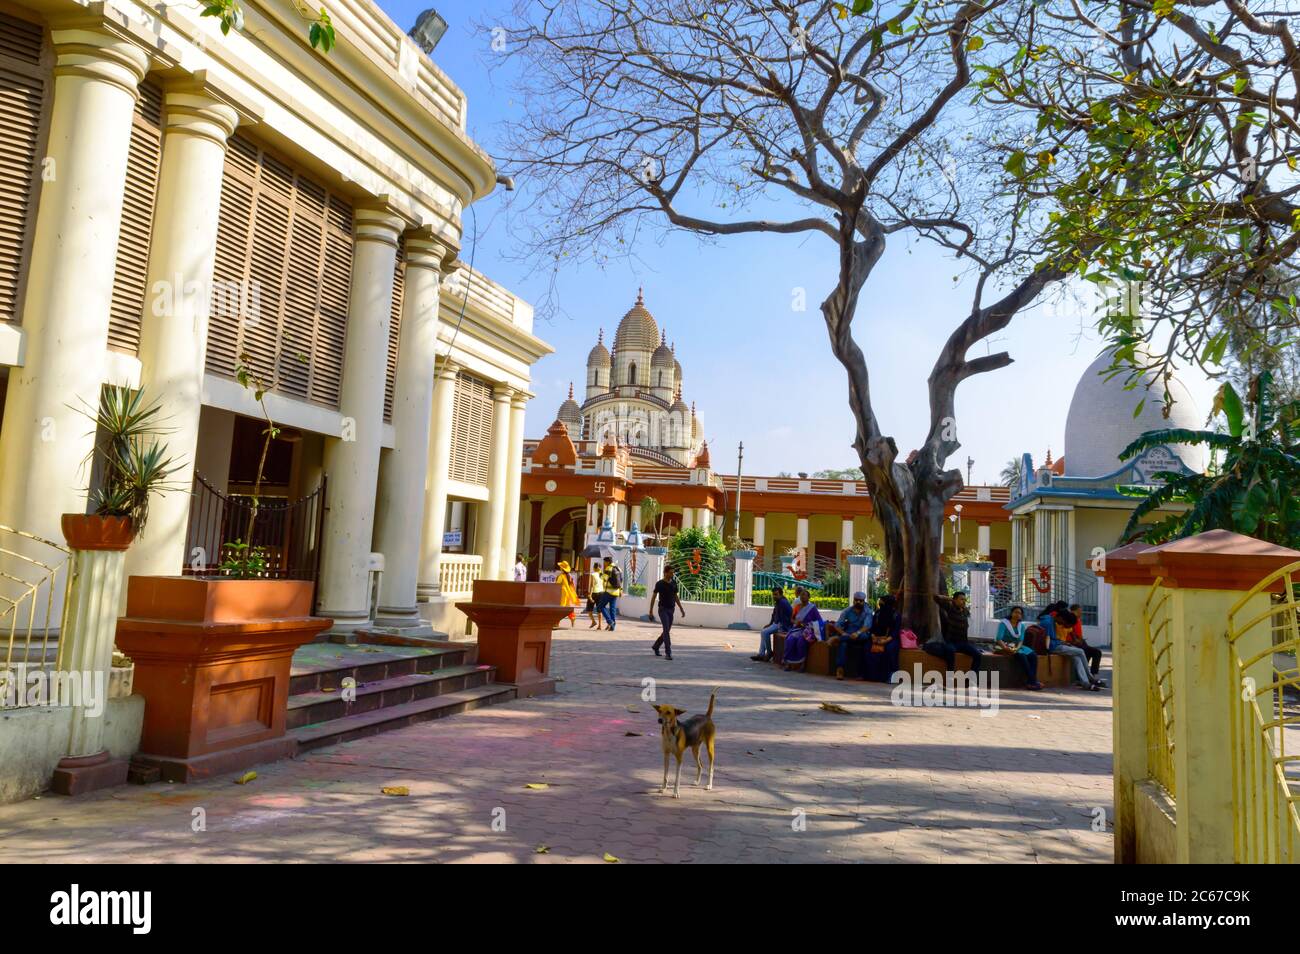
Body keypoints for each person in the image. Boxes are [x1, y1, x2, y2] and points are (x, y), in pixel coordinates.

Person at [926, 591, 983, 672]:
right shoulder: (950, 608)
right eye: (961, 599)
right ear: (955, 600)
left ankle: (971, 678)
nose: (964, 601)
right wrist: (951, 599)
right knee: (950, 652)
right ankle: (950, 677)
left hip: (963, 643)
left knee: (978, 655)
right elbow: (936, 597)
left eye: (964, 600)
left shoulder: (965, 611)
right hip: (951, 643)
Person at [1050, 608, 1103, 690]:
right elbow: (1052, 639)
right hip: (1056, 646)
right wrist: (1067, 643)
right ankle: (1090, 677)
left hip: (1063, 645)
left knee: (1077, 658)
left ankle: (1085, 683)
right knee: (1081, 651)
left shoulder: (1065, 623)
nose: (1067, 627)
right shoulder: (1054, 623)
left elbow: (1072, 633)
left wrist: (1076, 641)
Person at [825, 591, 872, 680]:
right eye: (856, 600)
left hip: (861, 635)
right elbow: (838, 625)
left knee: (861, 637)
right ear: (853, 600)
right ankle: (840, 670)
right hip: (848, 634)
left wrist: (857, 633)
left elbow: (867, 626)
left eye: (860, 601)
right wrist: (843, 633)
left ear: (863, 601)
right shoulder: (847, 610)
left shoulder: (868, 611)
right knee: (843, 645)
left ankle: (838, 638)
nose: (858, 602)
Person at [994, 605, 1043, 690]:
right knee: (1022, 657)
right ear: (1011, 613)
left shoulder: (1021, 626)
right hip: (1003, 645)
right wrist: (1006, 648)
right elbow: (998, 638)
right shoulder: (1004, 623)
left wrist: (1017, 648)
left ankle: (1031, 681)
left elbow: (1021, 640)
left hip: (1017, 646)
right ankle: (1033, 682)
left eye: (1020, 613)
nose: (1017, 614)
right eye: (1016, 612)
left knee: (1033, 655)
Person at [862, 593, 902, 683]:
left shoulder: (896, 615)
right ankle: (869, 675)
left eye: (882, 602)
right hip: (876, 638)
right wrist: (873, 637)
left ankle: (891, 675)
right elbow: (873, 628)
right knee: (867, 648)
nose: (880, 603)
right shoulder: (878, 613)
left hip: (890, 639)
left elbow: (895, 632)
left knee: (889, 650)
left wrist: (885, 641)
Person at [781, 588, 824, 672]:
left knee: (801, 641)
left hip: (808, 630)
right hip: (797, 629)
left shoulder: (812, 608)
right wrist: (796, 622)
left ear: (808, 597)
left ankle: (802, 664)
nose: (802, 596)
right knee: (790, 640)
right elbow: (792, 619)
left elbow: (819, 621)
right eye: (801, 595)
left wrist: (808, 624)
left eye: (804, 595)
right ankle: (789, 663)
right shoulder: (797, 607)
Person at [649, 564, 685, 660]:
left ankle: (656, 646)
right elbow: (653, 597)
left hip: (671, 610)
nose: (672, 574)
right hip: (662, 609)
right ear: (665, 573)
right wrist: (651, 611)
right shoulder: (659, 584)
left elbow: (676, 597)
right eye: (670, 573)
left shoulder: (674, 583)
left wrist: (681, 608)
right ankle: (668, 653)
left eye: (673, 573)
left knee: (666, 631)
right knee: (666, 630)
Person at [752, 585, 792, 662]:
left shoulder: (783, 602)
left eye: (776, 594)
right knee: (764, 631)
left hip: (783, 625)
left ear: (781, 594)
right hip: (777, 623)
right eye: (773, 594)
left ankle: (769, 652)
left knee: (765, 632)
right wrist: (770, 624)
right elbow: (774, 614)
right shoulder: (778, 602)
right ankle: (761, 654)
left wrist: (783, 628)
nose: (774, 596)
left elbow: (789, 616)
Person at [1069, 603, 1104, 678]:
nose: (1081, 613)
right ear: (1073, 611)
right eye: (1079, 611)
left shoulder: (1078, 620)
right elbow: (1071, 632)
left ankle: (1092, 674)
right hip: (1074, 643)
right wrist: (1076, 640)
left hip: (1081, 642)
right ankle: (1084, 675)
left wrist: (1081, 640)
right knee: (1087, 652)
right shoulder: (1071, 619)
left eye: (1080, 611)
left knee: (1096, 652)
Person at [601, 556, 623, 631]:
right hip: (616, 592)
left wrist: (601, 573)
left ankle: (610, 622)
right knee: (612, 609)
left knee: (600, 607)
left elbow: (603, 578)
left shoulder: (608, 568)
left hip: (609, 592)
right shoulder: (619, 568)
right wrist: (621, 590)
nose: (604, 563)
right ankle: (613, 626)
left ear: (607, 562)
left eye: (604, 562)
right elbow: (621, 580)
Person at [555, 561, 579, 627]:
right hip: (568, 593)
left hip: (562, 593)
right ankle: (572, 618)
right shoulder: (569, 576)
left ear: (562, 568)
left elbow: (557, 584)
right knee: (567, 608)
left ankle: (557, 623)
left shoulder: (561, 576)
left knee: (560, 608)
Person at [587, 562, 605, 629]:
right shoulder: (602, 575)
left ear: (594, 568)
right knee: (599, 610)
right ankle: (600, 625)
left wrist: (590, 595)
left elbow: (592, 586)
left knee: (589, 610)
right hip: (601, 593)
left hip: (594, 593)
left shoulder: (593, 574)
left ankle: (593, 621)